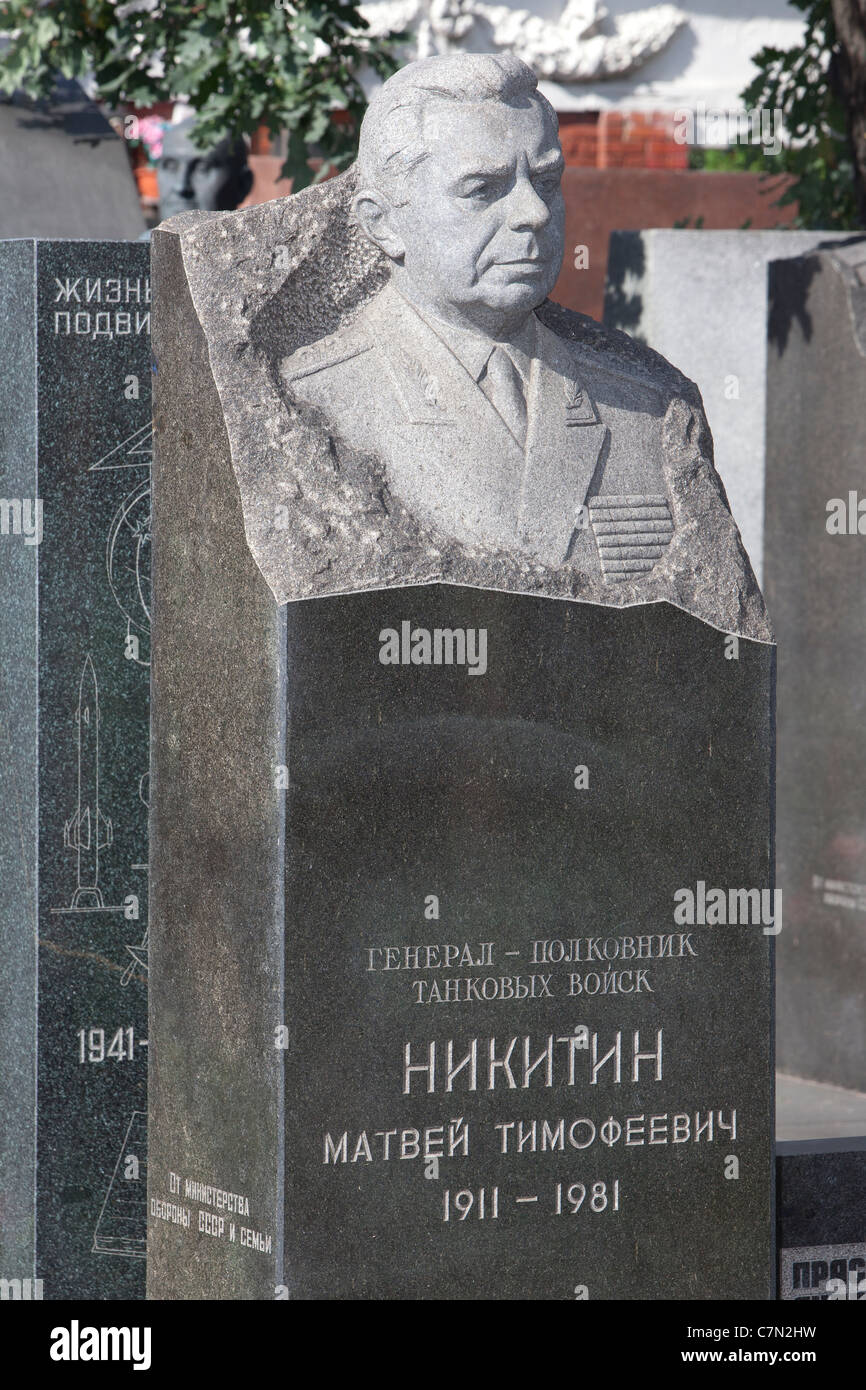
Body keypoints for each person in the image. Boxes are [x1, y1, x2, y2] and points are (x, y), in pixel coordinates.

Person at [280, 53, 682, 579]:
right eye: (482, 189)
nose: (533, 213)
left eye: (544, 180)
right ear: (382, 225)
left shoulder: (642, 406)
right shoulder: (315, 404)